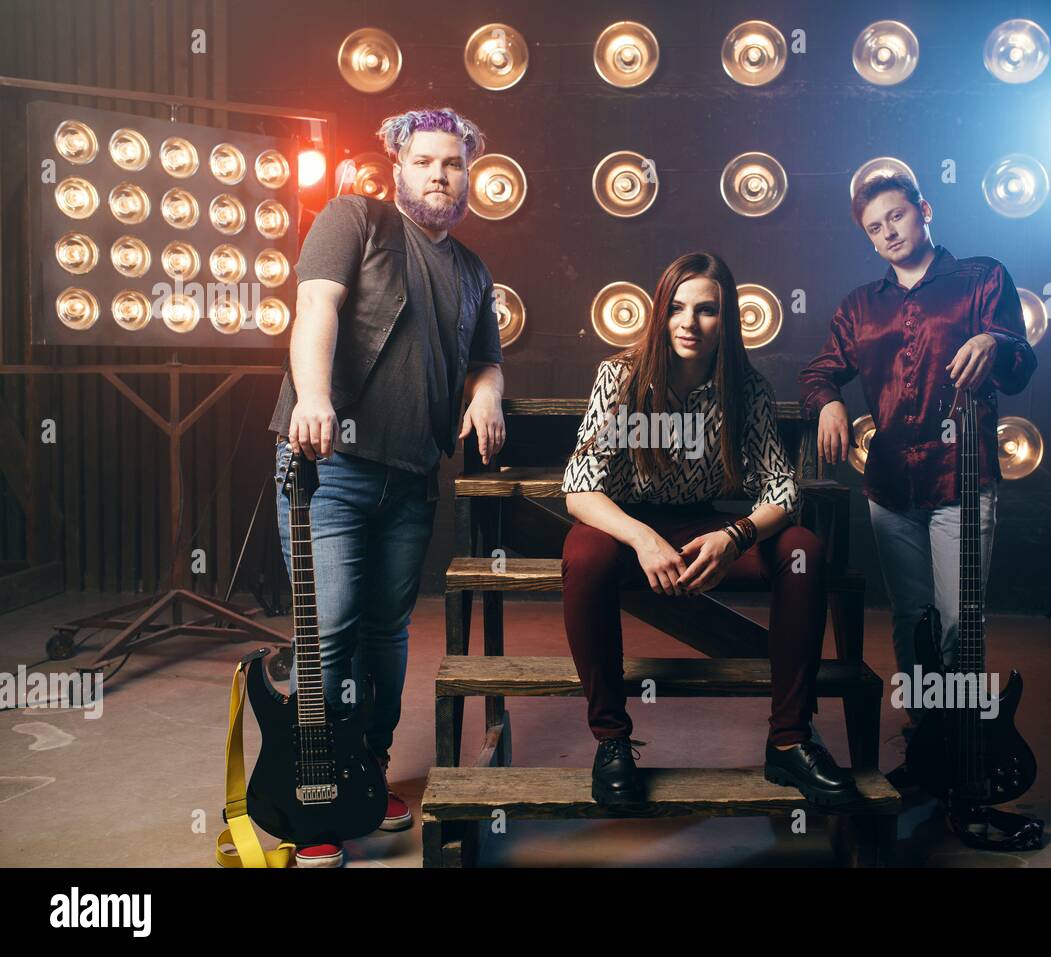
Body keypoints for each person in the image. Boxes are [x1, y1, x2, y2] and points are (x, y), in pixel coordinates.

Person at [268, 107, 506, 866]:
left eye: (454, 163)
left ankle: (363, 768)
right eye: (426, 160)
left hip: (411, 481)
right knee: (329, 631)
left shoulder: (472, 269)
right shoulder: (355, 220)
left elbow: (485, 358)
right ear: (398, 167)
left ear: (468, 174)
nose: (441, 173)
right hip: (331, 469)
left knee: (386, 635)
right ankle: (316, 796)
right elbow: (316, 308)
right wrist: (312, 396)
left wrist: (488, 392)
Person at [560, 251, 862, 808]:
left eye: (707, 310)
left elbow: (783, 491)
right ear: (659, 312)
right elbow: (580, 488)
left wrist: (736, 536)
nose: (689, 323)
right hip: (629, 526)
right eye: (676, 308)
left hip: (707, 526)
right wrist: (643, 538)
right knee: (584, 556)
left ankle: (790, 741)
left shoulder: (746, 388)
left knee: (803, 549)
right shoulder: (622, 375)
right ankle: (611, 740)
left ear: (727, 319)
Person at [798, 173, 1036, 788]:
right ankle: (925, 733)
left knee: (960, 617)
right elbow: (819, 371)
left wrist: (994, 338)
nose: (888, 234)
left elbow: (1019, 368)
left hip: (961, 476)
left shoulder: (982, 278)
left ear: (924, 211)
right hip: (889, 486)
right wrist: (826, 400)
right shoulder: (858, 305)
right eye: (874, 228)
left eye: (896, 217)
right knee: (910, 615)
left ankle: (963, 741)